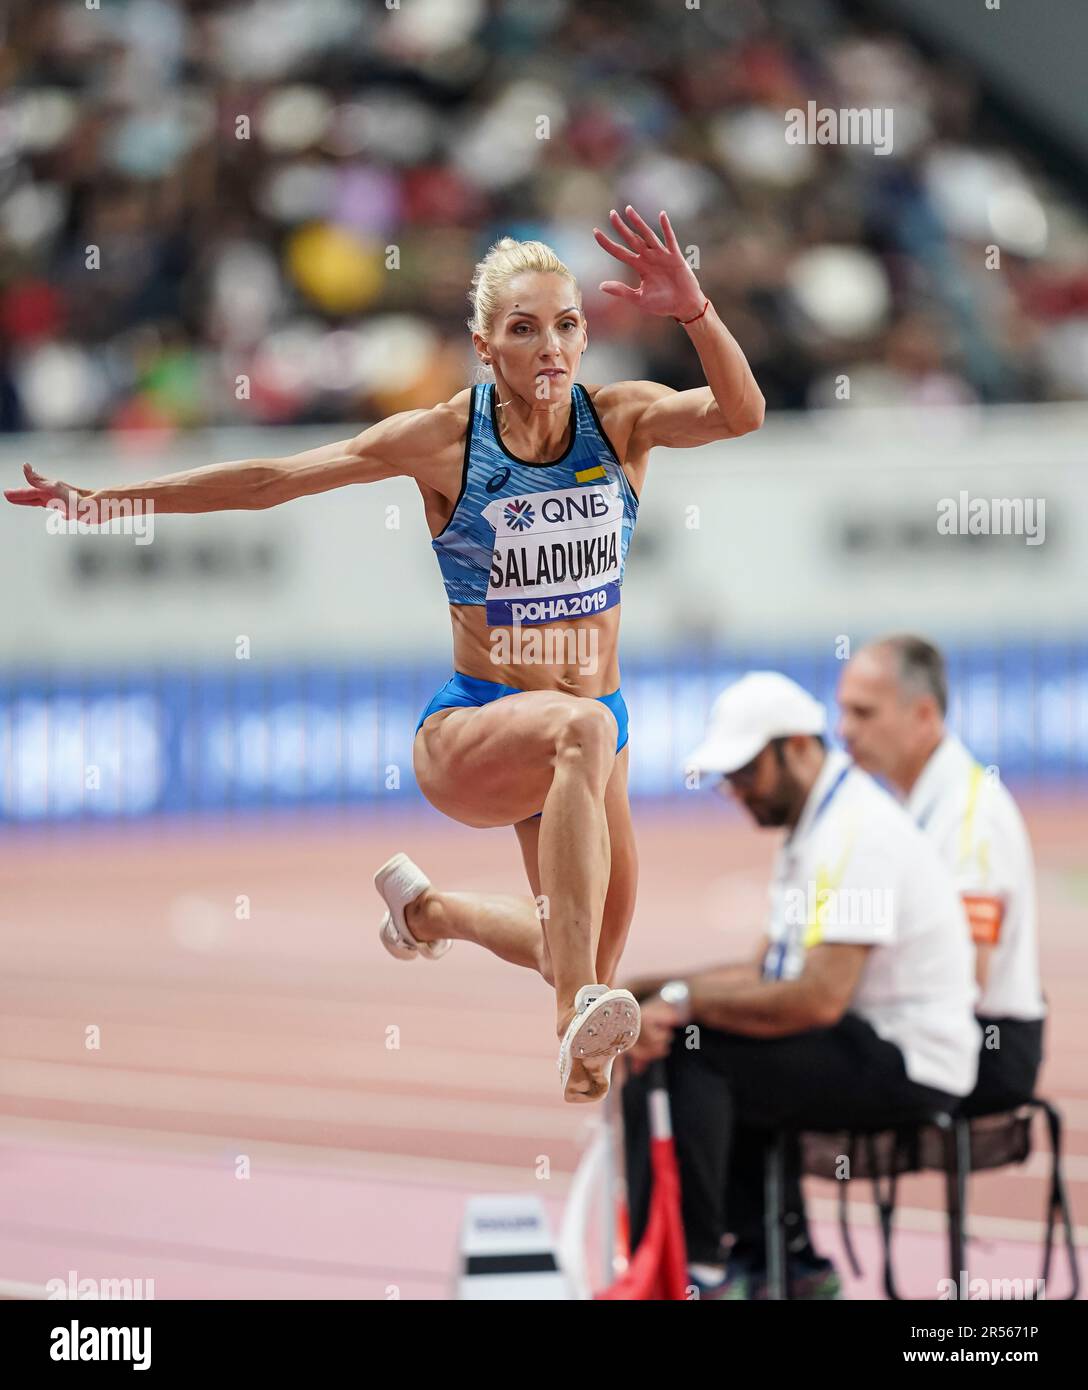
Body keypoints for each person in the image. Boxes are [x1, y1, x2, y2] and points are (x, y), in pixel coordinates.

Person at [5, 207, 766, 1102]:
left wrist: (695, 311)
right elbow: (270, 483)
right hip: (476, 725)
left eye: (565, 326)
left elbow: (740, 414)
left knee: (589, 934)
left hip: (598, 728)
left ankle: (429, 912)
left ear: (586, 334)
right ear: (486, 347)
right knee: (581, 777)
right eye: (523, 330)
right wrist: (107, 504)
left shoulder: (623, 421)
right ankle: (573, 1020)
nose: (549, 348)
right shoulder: (445, 439)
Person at [621, 672, 981, 1297]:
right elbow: (767, 972)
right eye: (726, 779)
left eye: (743, 772)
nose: (734, 792)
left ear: (797, 748)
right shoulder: (815, 825)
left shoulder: (857, 834)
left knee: (699, 1052)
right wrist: (646, 989)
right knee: (706, 1035)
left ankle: (701, 1271)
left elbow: (817, 997)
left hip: (913, 1059)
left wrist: (680, 1005)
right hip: (865, 1037)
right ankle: (783, 1262)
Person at [838, 635, 1046, 1115]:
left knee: (778, 1068)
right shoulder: (922, 804)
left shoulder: (970, 818)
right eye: (844, 711)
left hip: (987, 1050)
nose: (844, 729)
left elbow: (970, 969)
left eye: (863, 713)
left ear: (924, 716)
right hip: (943, 1031)